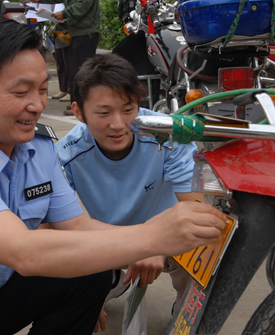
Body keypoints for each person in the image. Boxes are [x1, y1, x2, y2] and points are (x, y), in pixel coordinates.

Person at [0, 15, 227, 335]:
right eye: (20, 91)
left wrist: (138, 247)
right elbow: (25, 252)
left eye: (42, 89)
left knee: (93, 274)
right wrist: (153, 236)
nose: (38, 104)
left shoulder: (37, 147)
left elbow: (80, 229)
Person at [57, 53, 205, 312]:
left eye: (128, 110)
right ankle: (109, 281)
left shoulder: (166, 135)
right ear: (78, 112)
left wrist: (153, 242)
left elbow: (196, 207)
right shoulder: (65, 154)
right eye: (103, 112)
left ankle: (188, 310)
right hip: (108, 242)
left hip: (168, 239)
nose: (118, 125)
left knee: (204, 235)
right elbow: (59, 227)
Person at [31, 0, 100, 115]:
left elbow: (82, 5)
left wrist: (64, 13)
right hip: (77, 32)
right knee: (73, 68)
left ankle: (81, 105)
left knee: (80, 70)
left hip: (85, 32)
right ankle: (77, 103)